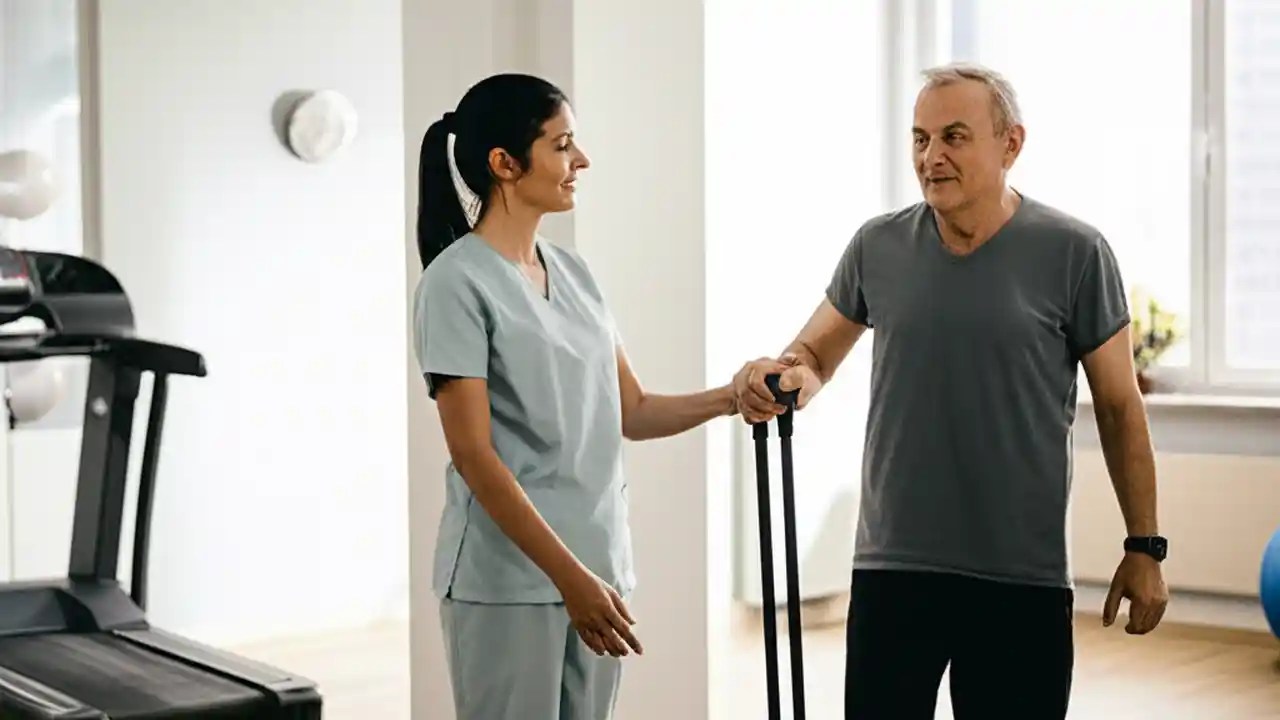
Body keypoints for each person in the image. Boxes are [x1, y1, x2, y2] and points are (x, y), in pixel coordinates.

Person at [732, 62, 1170, 718]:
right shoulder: (877, 247)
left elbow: (1117, 404)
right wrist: (789, 376)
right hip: (893, 565)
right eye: (920, 139)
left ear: (1010, 144)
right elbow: (816, 352)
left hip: (1021, 574)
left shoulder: (1075, 253)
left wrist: (1144, 546)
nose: (930, 157)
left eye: (954, 137)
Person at [412, 73, 738, 720]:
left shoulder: (575, 272)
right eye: (562, 145)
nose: (580, 160)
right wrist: (570, 581)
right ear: (504, 164)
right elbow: (475, 456)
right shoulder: (454, 285)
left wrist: (732, 396)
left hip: (598, 570)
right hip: (508, 582)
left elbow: (633, 411)